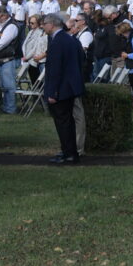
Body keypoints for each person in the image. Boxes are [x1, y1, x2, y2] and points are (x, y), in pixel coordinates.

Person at [41, 13, 85, 164]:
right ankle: (69, 151)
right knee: (68, 121)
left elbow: (55, 69)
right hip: (70, 87)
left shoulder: (57, 41)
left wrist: (53, 92)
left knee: (63, 122)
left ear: (52, 24)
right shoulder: (71, 39)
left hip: (61, 89)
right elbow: (81, 59)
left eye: (44, 24)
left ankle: (69, 153)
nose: (43, 26)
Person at [0, 6, 21, 115]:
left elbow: (4, 42)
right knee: (3, 85)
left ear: (5, 15)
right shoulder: (2, 25)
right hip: (2, 59)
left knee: (9, 86)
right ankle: (6, 106)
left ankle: (11, 108)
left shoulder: (11, 26)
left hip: (8, 59)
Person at [20, 14, 47, 85]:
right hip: (27, 59)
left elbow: (35, 48)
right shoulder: (30, 32)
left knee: (36, 80)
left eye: (32, 23)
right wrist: (24, 55)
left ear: (38, 23)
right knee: (32, 79)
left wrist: (27, 57)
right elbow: (25, 44)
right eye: (29, 22)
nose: (30, 24)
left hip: (33, 59)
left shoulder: (39, 33)